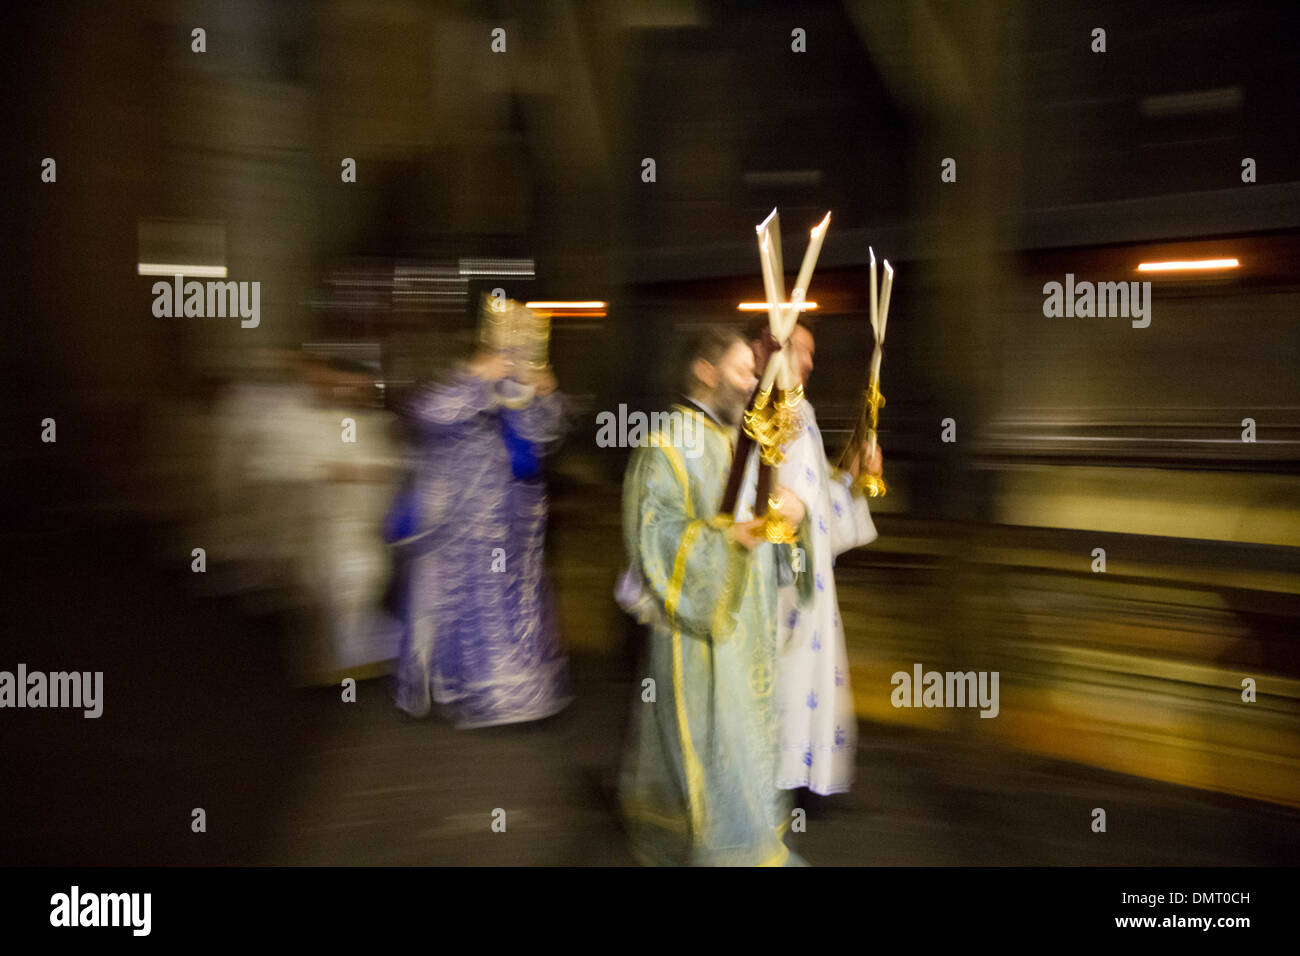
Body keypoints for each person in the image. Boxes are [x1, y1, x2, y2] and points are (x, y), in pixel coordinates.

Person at [617, 326, 812, 866]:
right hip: (695, 637)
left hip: (748, 633)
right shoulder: (663, 447)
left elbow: (767, 529)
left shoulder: (739, 442)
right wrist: (733, 537)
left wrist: (792, 519)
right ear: (706, 371)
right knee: (705, 750)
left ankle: (744, 846)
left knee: (744, 746)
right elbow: (654, 539)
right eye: (743, 369)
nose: (755, 381)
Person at [392, 340, 570, 728]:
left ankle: (519, 693)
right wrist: (476, 382)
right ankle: (475, 692)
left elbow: (545, 436)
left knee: (516, 605)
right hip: (461, 532)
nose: (508, 362)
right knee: (470, 610)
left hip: (515, 526)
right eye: (500, 355)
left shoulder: (512, 390)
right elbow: (430, 417)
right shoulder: (452, 389)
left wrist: (545, 393)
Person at [748, 319, 883, 796]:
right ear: (766, 350)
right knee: (778, 671)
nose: (809, 361)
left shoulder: (800, 409)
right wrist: (779, 512)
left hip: (811, 578)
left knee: (809, 669)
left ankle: (803, 773)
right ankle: (768, 776)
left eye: (809, 352)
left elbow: (817, 498)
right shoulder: (753, 410)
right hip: (773, 575)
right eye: (799, 349)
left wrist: (852, 477)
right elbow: (738, 491)